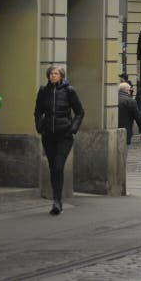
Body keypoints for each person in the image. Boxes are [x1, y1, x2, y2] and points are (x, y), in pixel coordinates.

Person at [34, 65, 84, 216]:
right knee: (52, 167)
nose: (53, 76)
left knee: (58, 166)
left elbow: (80, 112)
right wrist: (40, 127)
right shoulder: (43, 91)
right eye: (51, 74)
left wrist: (72, 129)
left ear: (61, 76)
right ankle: (56, 200)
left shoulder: (69, 91)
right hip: (48, 135)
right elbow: (37, 112)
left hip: (64, 136)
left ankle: (57, 200)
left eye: (56, 74)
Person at [118, 82, 141, 147]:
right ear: (127, 91)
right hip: (126, 132)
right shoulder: (131, 101)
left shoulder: (112, 100)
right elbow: (139, 118)